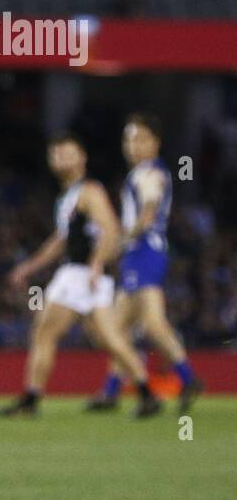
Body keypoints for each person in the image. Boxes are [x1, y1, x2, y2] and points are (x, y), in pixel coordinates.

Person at [0, 133, 160, 418]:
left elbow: (111, 229)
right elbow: (61, 240)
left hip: (80, 273)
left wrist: (97, 263)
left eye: (67, 153)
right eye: (56, 154)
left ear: (82, 157)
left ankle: (31, 400)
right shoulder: (70, 195)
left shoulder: (89, 191)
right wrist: (29, 267)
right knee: (108, 338)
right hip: (89, 275)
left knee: (44, 332)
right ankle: (147, 393)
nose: (61, 158)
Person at [86, 114, 202, 413]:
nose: (133, 146)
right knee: (118, 328)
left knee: (150, 323)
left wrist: (123, 236)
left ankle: (186, 377)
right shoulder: (144, 172)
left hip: (144, 252)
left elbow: (149, 213)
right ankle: (111, 391)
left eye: (140, 139)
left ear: (155, 142)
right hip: (141, 253)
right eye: (128, 139)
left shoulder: (148, 174)